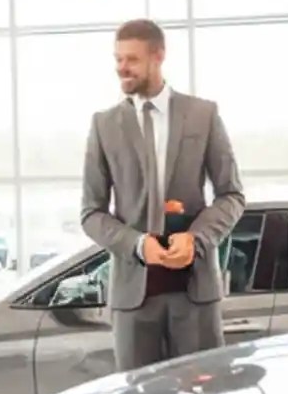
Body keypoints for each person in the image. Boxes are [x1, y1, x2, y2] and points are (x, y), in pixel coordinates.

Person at [81, 19, 245, 372]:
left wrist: (197, 238)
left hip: (195, 293)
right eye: (118, 59)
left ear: (159, 56)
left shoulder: (203, 115)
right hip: (132, 299)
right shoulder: (103, 125)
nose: (121, 68)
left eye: (132, 60)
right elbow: (91, 213)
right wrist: (138, 245)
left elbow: (231, 195)